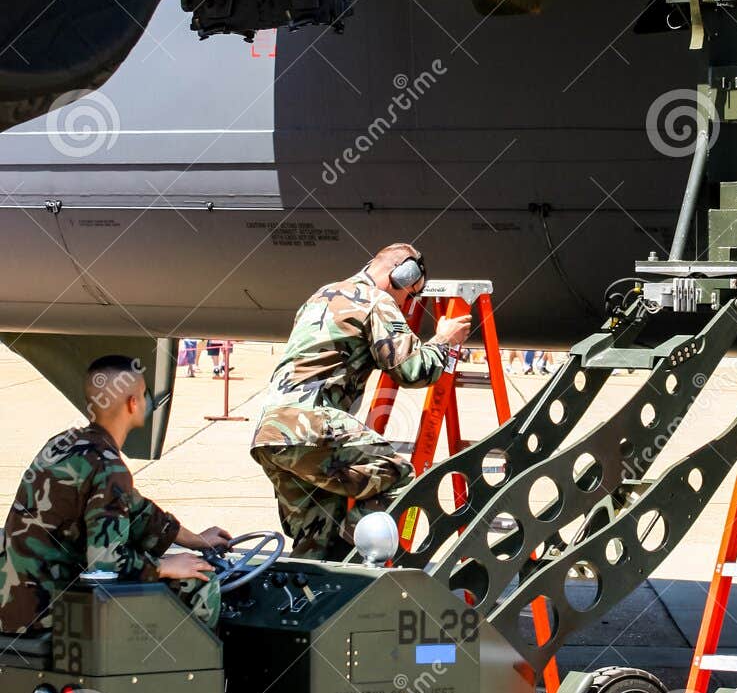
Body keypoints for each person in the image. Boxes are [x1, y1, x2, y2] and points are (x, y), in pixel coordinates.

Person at [250, 243, 471, 558]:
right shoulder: (376, 300)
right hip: (311, 424)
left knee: (316, 538)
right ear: (400, 276)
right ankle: (352, 556)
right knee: (400, 476)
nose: (408, 302)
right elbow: (412, 371)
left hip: (270, 432)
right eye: (411, 293)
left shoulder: (321, 295)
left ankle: (309, 597)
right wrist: (442, 341)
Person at [0, 356, 231, 636]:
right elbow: (106, 566)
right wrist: (164, 566)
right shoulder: (109, 466)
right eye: (145, 394)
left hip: (13, 601)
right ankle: (184, 674)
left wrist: (196, 540)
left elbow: (135, 508)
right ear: (133, 403)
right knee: (200, 582)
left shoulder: (66, 443)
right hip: (48, 612)